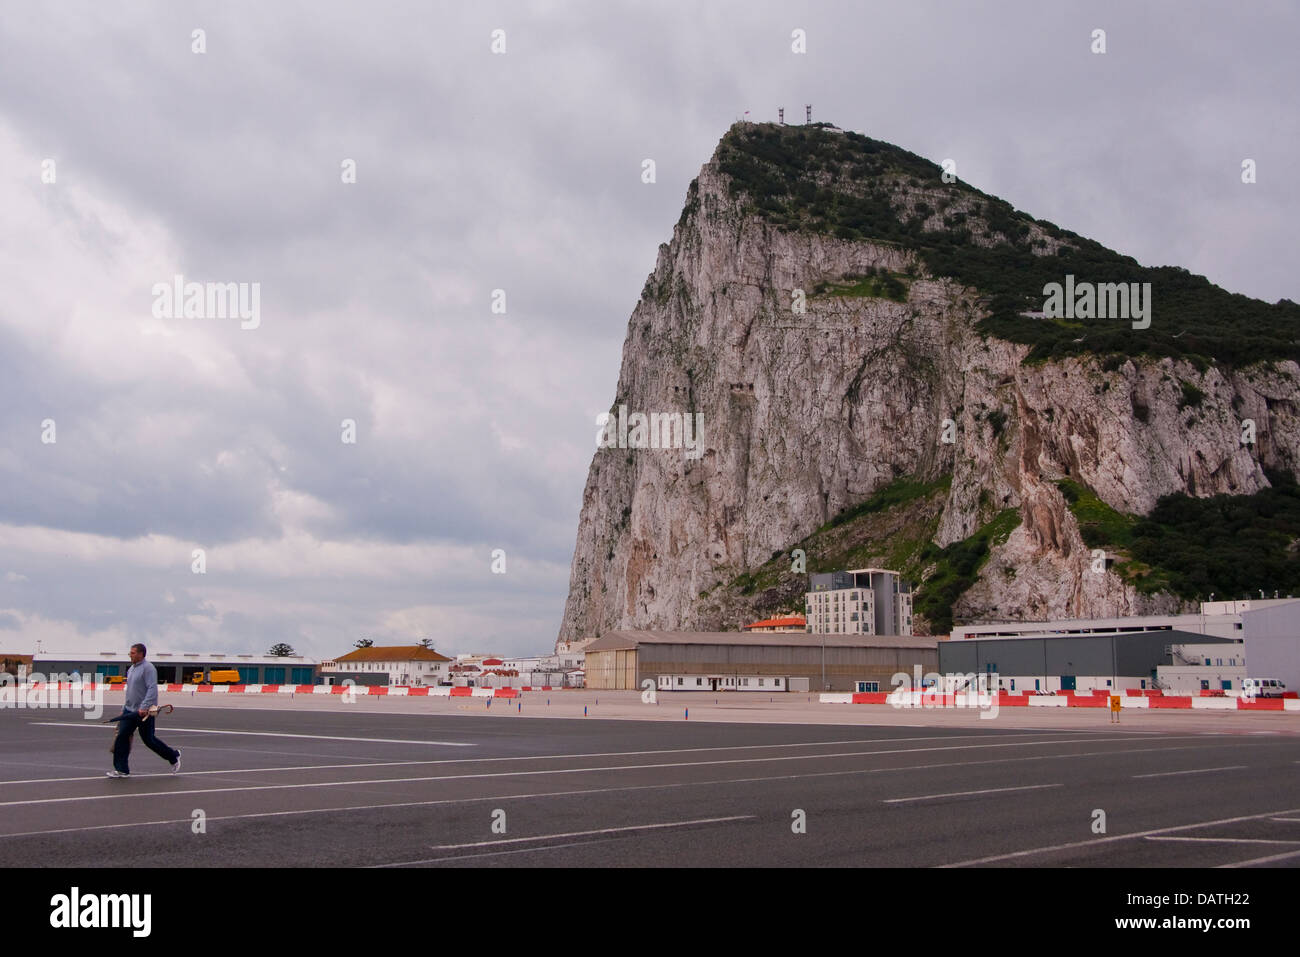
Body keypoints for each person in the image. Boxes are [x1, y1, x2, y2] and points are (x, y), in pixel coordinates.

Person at [107, 643, 181, 777]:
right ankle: (121, 769)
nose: (130, 655)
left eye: (133, 653)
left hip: (144, 712)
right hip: (130, 710)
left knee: (149, 740)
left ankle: (173, 756)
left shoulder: (148, 668)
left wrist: (144, 706)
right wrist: (124, 708)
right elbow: (130, 691)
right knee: (122, 736)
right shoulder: (131, 669)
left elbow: (152, 689)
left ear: (141, 654)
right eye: (130, 653)